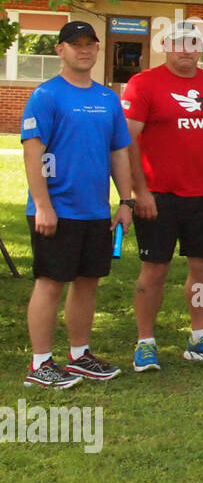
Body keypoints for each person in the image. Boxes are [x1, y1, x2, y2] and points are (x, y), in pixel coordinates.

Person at [123, 24, 203, 370]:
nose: (186, 50)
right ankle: (145, 342)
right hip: (157, 196)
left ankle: (199, 338)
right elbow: (128, 141)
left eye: (193, 44)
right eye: (178, 43)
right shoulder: (144, 84)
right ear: (165, 46)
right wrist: (139, 192)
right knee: (155, 269)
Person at [21, 21, 134, 387]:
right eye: (75, 44)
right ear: (60, 50)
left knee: (87, 283)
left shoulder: (107, 99)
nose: (83, 50)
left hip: (95, 211)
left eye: (90, 44)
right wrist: (42, 204)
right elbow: (32, 152)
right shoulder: (46, 95)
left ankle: (79, 355)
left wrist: (126, 201)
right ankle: (40, 364)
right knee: (50, 282)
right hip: (56, 209)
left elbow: (119, 153)